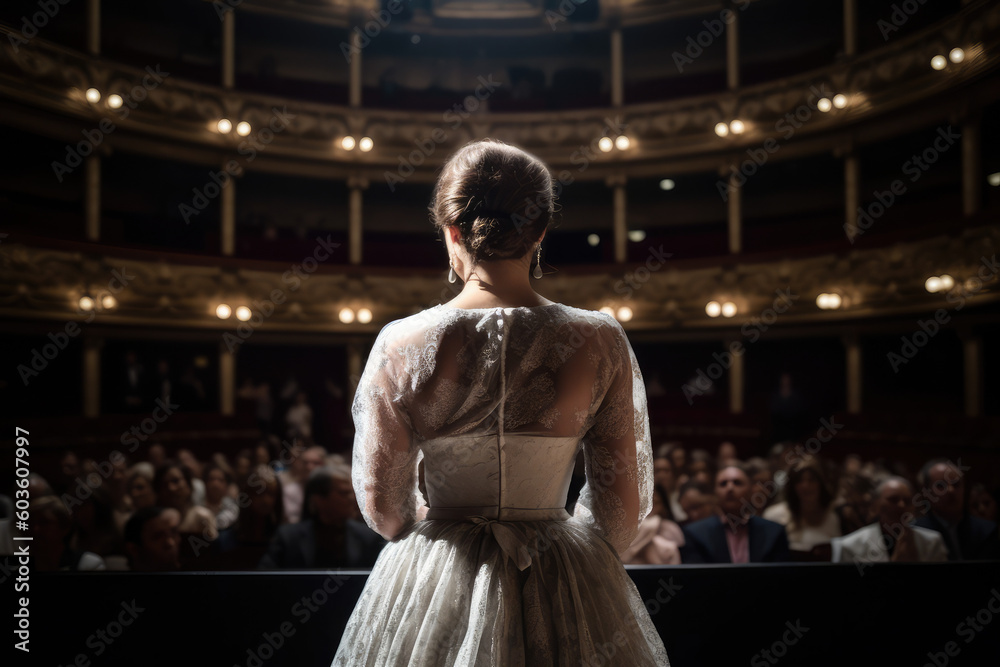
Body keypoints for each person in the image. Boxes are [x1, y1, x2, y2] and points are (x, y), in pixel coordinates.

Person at [331, 139, 669, 665]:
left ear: (451, 232)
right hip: (561, 570)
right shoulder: (598, 339)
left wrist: (436, 522)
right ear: (539, 231)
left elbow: (384, 510)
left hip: (437, 572)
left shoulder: (401, 343)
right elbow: (622, 514)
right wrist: (567, 549)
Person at [259, 465, 384, 568]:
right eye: (344, 493)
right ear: (318, 500)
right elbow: (266, 581)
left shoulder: (368, 538)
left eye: (352, 493)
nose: (353, 499)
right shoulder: (288, 538)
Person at [679, 465, 791, 564]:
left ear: (751, 491)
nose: (730, 488)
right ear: (715, 493)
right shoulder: (695, 534)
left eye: (737, 483)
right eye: (723, 484)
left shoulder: (774, 532)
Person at [832, 477, 948, 564]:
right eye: (893, 500)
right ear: (876, 505)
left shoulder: (932, 542)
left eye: (907, 500)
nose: (901, 505)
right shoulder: (850, 546)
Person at [913, 459, 1000, 561]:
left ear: (964, 488)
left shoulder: (987, 531)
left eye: (956, 484)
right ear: (926, 492)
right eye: (941, 486)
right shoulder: (916, 533)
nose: (951, 490)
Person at [763, 458, 842, 557]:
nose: (806, 486)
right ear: (792, 486)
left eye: (812, 480)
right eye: (799, 481)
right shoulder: (773, 515)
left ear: (821, 484)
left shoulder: (832, 517)